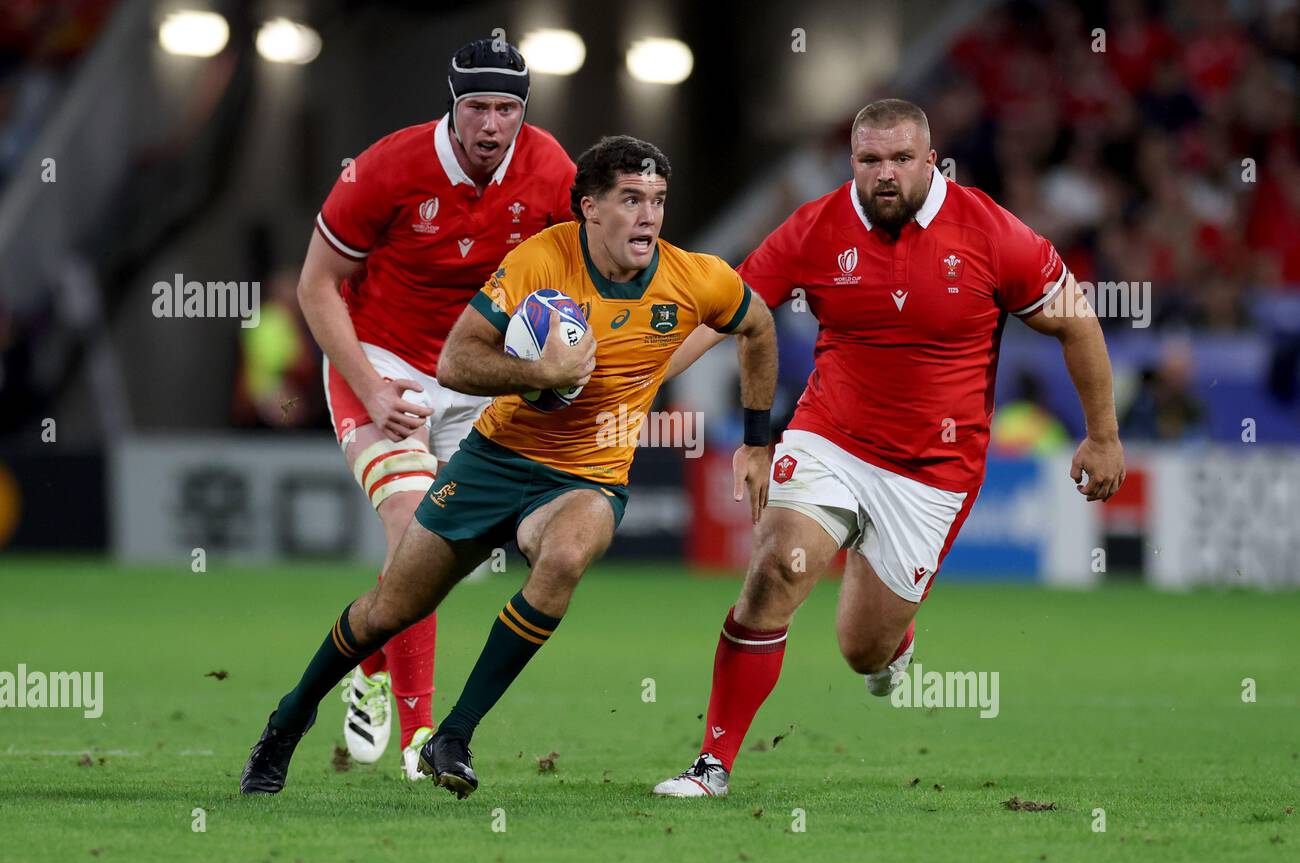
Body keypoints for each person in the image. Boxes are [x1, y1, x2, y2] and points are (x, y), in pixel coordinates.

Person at [240, 134, 778, 799]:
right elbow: (456, 362)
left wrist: (757, 439)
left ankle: (454, 735)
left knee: (567, 555)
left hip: (587, 478)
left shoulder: (695, 278)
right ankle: (289, 718)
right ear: (589, 208)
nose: (648, 217)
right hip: (494, 459)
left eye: (658, 201)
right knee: (390, 609)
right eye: (630, 200)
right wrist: (538, 372)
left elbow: (757, 325)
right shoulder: (541, 261)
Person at [654, 98, 1126, 797]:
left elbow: (1077, 324)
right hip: (829, 438)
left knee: (861, 648)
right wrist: (642, 380)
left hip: (933, 472)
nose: (885, 174)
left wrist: (1102, 435)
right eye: (870, 160)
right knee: (775, 573)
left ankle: (892, 646)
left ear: (929, 160)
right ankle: (713, 763)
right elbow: (731, 312)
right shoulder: (816, 227)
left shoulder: (990, 232)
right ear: (853, 162)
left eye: (901, 159)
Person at [300, 38, 575, 778]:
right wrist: (368, 385)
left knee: (441, 564)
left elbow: (581, 273)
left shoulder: (552, 169)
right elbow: (317, 285)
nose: (492, 124)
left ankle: (371, 666)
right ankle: (422, 737)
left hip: (482, 376)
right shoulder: (386, 167)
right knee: (412, 523)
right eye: (477, 107)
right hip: (384, 362)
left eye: (507, 108)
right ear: (451, 108)